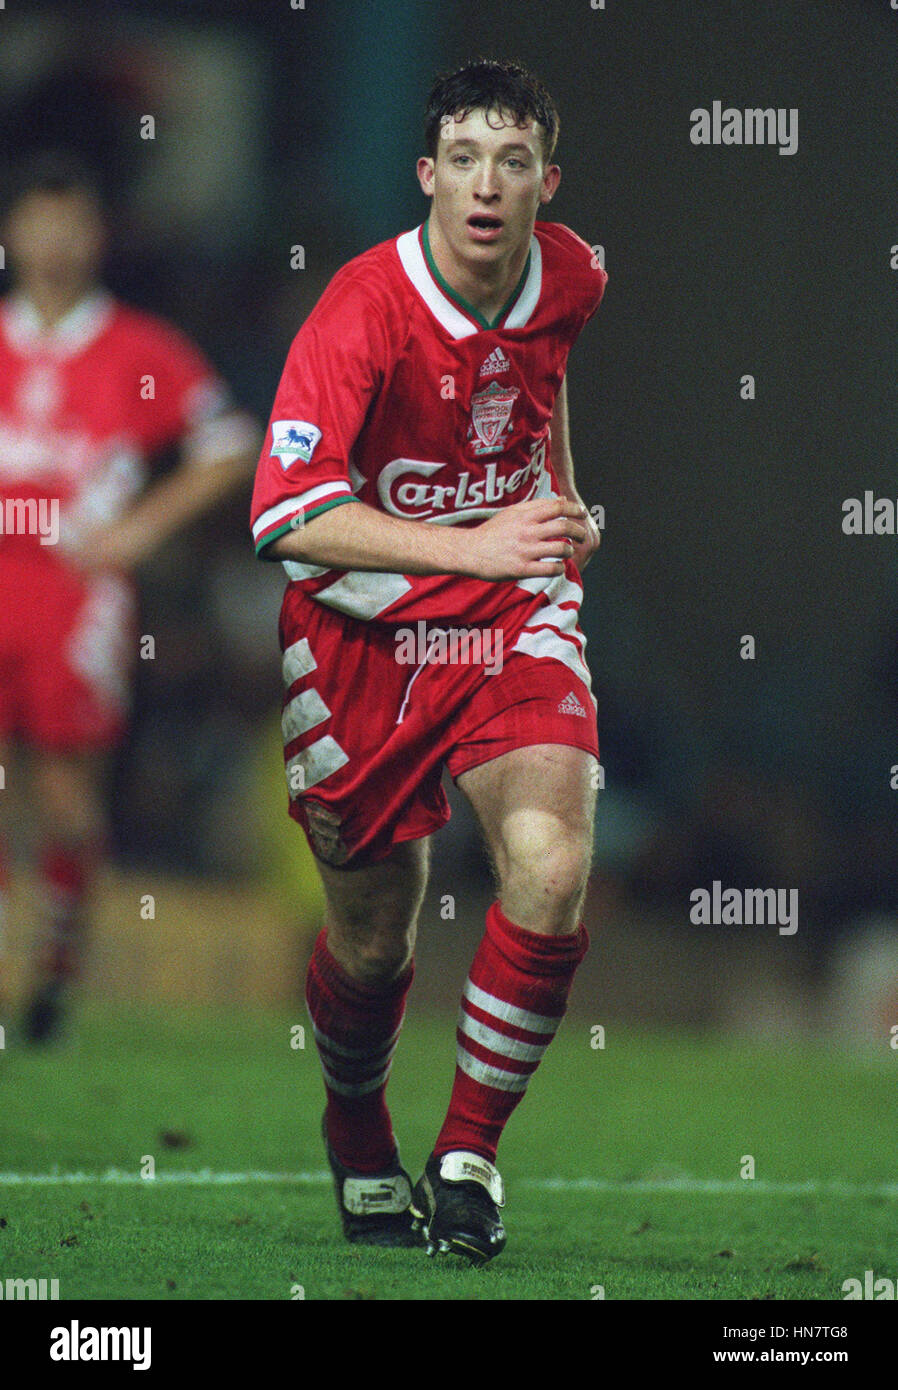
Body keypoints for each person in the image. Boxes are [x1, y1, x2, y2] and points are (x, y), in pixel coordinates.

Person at [251, 58, 607, 1263]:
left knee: (550, 865)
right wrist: (471, 540)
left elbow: (544, 379)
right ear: (427, 176)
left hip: (512, 616)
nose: (486, 185)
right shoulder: (360, 307)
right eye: (463, 159)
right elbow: (284, 516)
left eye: (513, 161)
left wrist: (560, 504)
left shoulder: (572, 273)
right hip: (363, 633)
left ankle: (466, 1160)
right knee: (372, 941)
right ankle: (357, 1126)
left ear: (545, 183)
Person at [0, 153, 259, 1043]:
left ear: (97, 239)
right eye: (38, 223)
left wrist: (142, 531)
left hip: (74, 592)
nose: (53, 244)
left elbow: (229, 443)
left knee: (65, 794)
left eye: (72, 226)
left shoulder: (139, 349)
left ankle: (56, 970)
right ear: (12, 234)